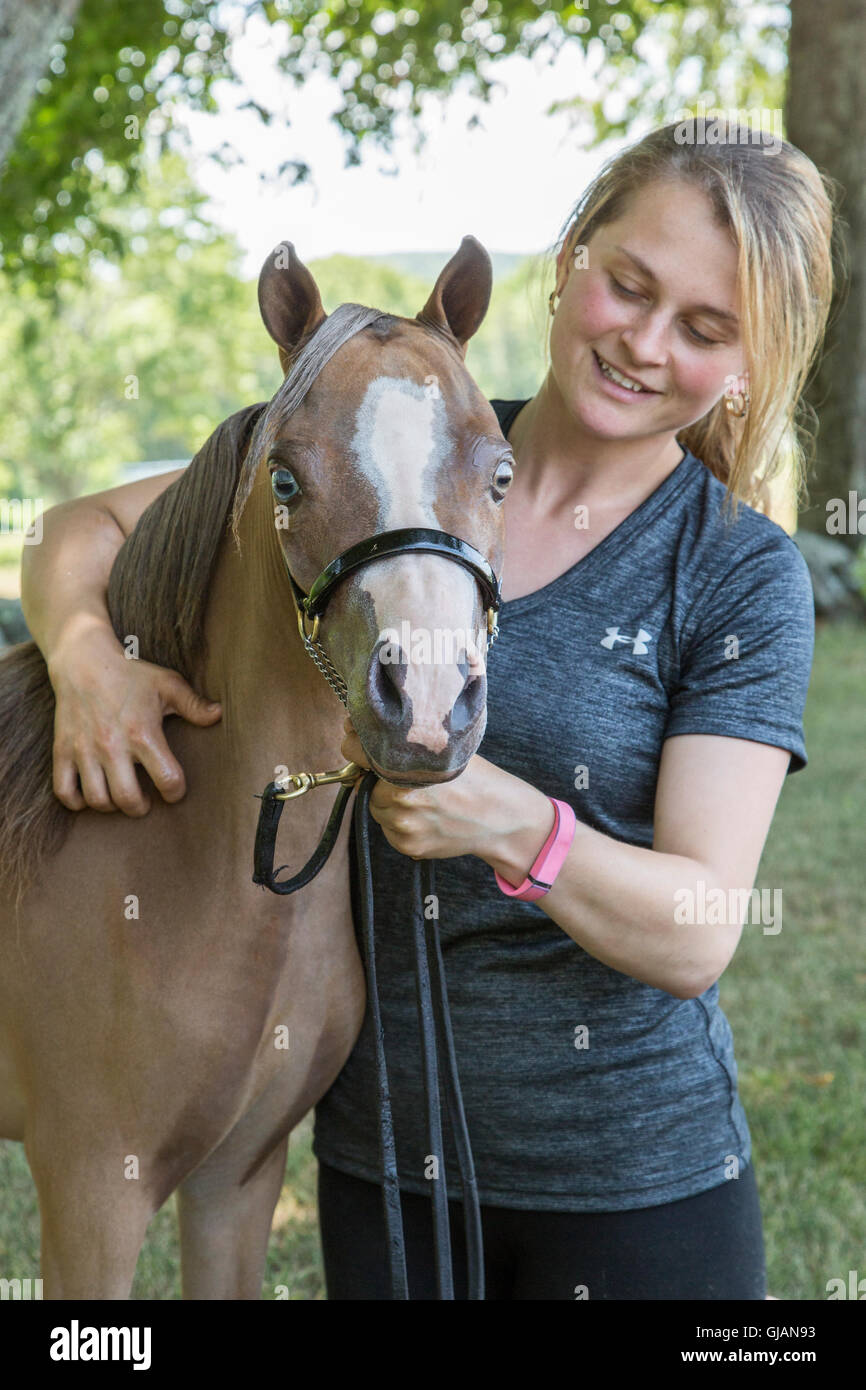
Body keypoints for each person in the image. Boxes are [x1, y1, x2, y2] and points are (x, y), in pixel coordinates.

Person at [21, 121, 838, 1300]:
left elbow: (700, 921)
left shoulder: (733, 573)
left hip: (631, 1186)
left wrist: (505, 821)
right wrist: (86, 654)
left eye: (703, 329)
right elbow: (72, 528)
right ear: (566, 261)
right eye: (627, 285)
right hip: (385, 1167)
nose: (643, 344)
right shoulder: (394, 441)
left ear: (750, 363)